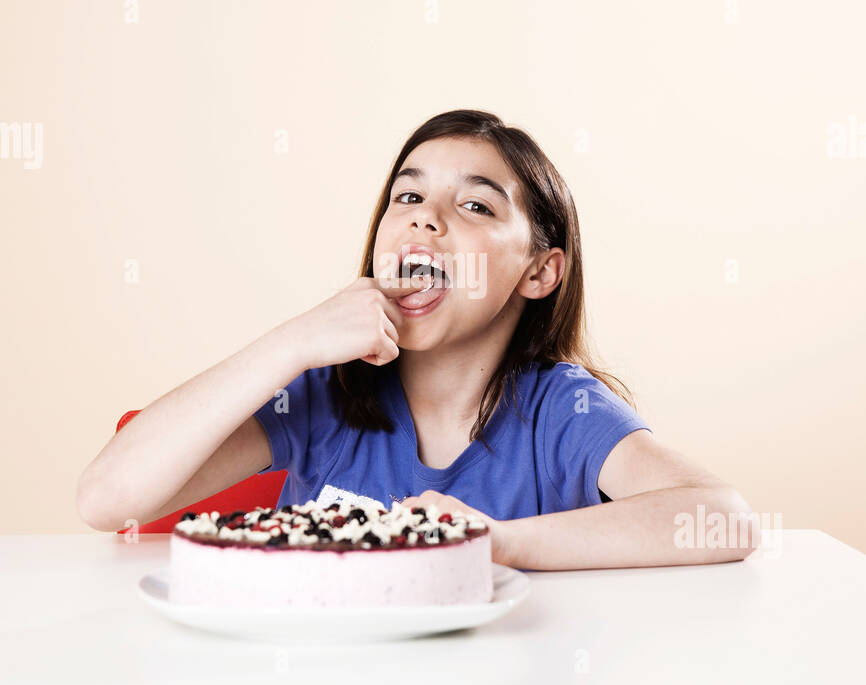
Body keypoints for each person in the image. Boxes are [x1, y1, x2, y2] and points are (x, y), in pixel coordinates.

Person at [77, 109, 759, 569]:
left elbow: (724, 520)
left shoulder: (559, 413)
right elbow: (105, 500)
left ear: (540, 271)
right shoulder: (321, 398)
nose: (426, 221)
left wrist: (493, 543)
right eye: (408, 198)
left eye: (475, 205)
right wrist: (291, 343)